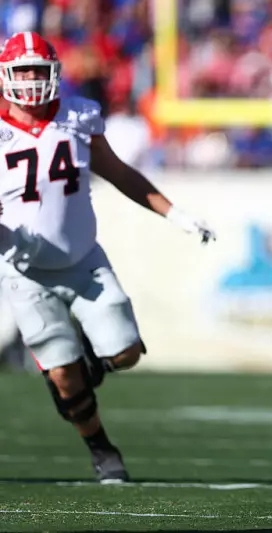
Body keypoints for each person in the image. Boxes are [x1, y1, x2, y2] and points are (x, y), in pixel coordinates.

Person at [0, 32, 214, 483]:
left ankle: (85, 359)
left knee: (126, 353)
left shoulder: (78, 117)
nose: (34, 81)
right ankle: (101, 448)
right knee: (64, 378)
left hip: (82, 260)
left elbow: (117, 172)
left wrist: (174, 213)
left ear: (55, 72)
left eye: (41, 70)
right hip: (24, 269)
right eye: (25, 72)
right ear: (7, 77)